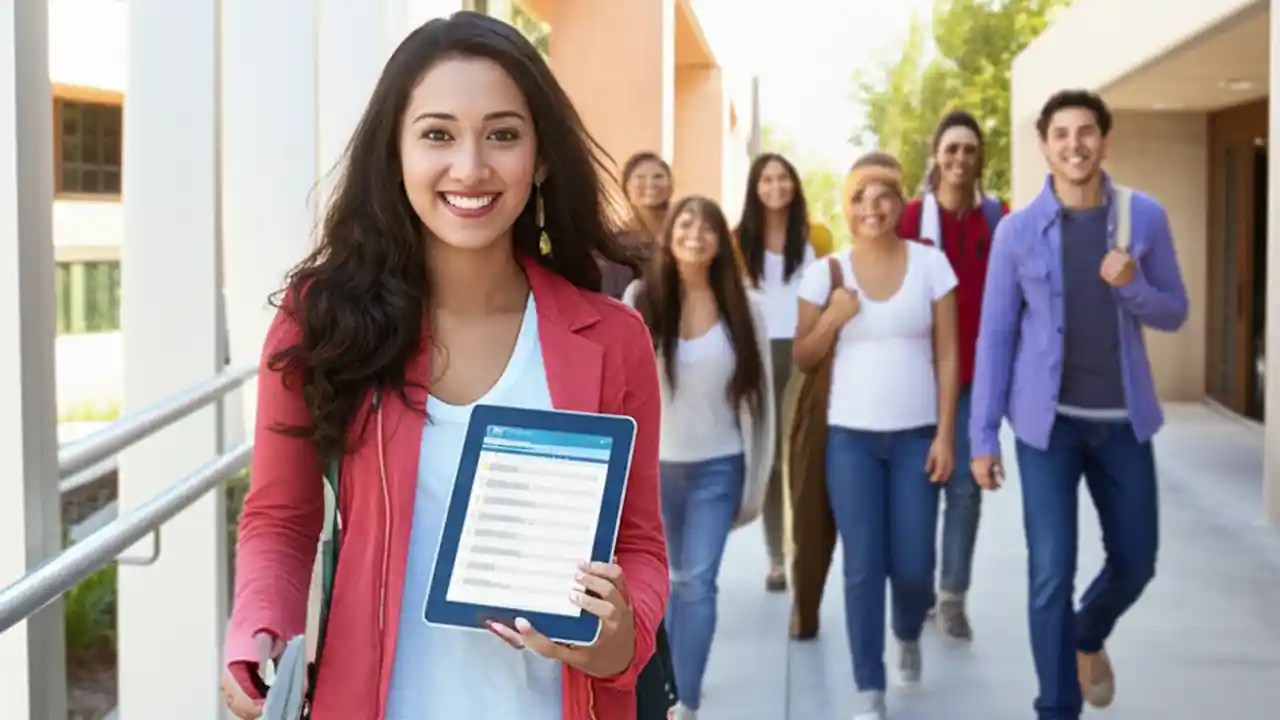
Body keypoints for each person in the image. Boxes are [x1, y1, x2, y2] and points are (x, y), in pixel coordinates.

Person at [219, 12, 668, 720]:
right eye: (437, 134)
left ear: (541, 156)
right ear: (394, 152)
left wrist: (621, 637)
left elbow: (639, 543)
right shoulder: (322, 320)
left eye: (502, 135)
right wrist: (258, 630)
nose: (470, 167)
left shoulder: (613, 339)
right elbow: (280, 516)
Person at [970, 89, 1188, 720]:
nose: (1075, 145)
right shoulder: (1016, 232)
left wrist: (1135, 287)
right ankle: (1055, 708)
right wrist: (983, 436)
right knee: (1049, 575)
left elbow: (1175, 311)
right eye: (1061, 134)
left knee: (1136, 562)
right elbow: (997, 336)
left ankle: (1085, 638)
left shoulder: (1141, 218)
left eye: (1086, 132)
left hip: (1123, 424)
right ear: (1044, 144)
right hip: (1048, 429)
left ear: (1105, 140)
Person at [794, 153, 958, 720]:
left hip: (916, 438)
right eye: (861, 198)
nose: (873, 208)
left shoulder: (932, 265)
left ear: (899, 202)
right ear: (848, 206)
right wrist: (835, 317)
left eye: (884, 195)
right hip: (850, 442)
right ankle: (870, 686)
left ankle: (908, 630)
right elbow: (803, 355)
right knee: (863, 564)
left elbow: (947, 352)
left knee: (913, 564)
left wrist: (945, 435)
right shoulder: (826, 273)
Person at [623, 195, 775, 720]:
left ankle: (684, 700)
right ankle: (659, 690)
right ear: (670, 233)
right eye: (686, 222)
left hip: (719, 466)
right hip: (655, 470)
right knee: (659, 586)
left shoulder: (744, 307)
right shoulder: (640, 298)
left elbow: (762, 402)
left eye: (708, 226)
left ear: (720, 241)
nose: (695, 233)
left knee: (698, 583)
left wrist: (756, 482)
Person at [897, 109, 1008, 640]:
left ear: (979, 157)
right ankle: (917, 589)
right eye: (951, 148)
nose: (960, 158)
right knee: (921, 484)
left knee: (965, 486)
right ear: (936, 156)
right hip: (917, 376)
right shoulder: (910, 220)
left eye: (969, 149)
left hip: (975, 378)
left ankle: (952, 596)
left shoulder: (997, 219)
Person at [732, 152, 827, 592]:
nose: (775, 186)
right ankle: (775, 559)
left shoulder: (816, 237)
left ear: (794, 184)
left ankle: (804, 550)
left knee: (803, 459)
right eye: (766, 179)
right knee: (769, 461)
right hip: (757, 353)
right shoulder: (736, 241)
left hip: (804, 353)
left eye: (783, 178)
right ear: (755, 188)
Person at [599, 152, 675, 299]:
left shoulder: (684, 236)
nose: (650, 183)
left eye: (658, 177)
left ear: (671, 185)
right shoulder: (615, 245)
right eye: (640, 178)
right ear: (626, 187)